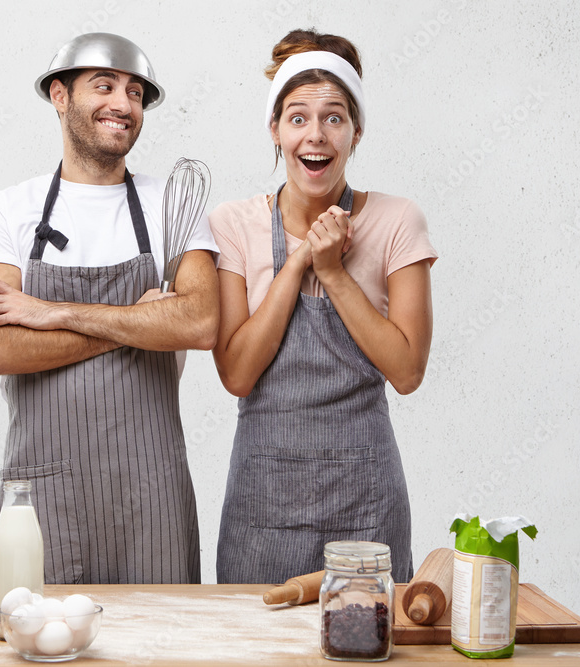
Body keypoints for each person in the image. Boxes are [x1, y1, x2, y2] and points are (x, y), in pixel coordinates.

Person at [0, 32, 219, 585]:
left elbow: (200, 322)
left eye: (134, 93)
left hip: (152, 493)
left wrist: (51, 312)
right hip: (43, 496)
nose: (123, 104)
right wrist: (143, 321)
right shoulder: (8, 211)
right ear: (60, 96)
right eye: (104, 86)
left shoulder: (168, 204)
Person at [209, 29, 437, 584]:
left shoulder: (396, 220)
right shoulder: (233, 225)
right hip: (263, 506)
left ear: (356, 132)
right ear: (275, 130)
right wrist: (298, 263)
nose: (316, 135)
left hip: (366, 499)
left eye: (335, 117)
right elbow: (237, 373)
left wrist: (333, 272)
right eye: (298, 118)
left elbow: (406, 371)